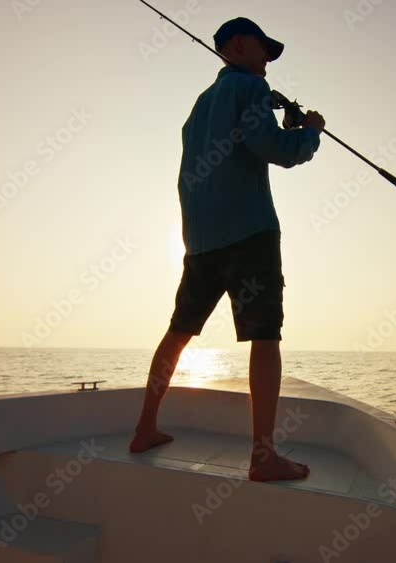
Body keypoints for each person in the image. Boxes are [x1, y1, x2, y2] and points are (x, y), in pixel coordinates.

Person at [129, 17, 326, 482]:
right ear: (237, 46)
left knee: (178, 333)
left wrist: (275, 115)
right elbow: (273, 147)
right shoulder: (252, 88)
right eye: (264, 50)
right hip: (250, 233)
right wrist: (311, 132)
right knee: (265, 336)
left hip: (200, 242)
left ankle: (144, 428)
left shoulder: (200, 106)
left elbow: (227, 146)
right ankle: (263, 456)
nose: (268, 61)